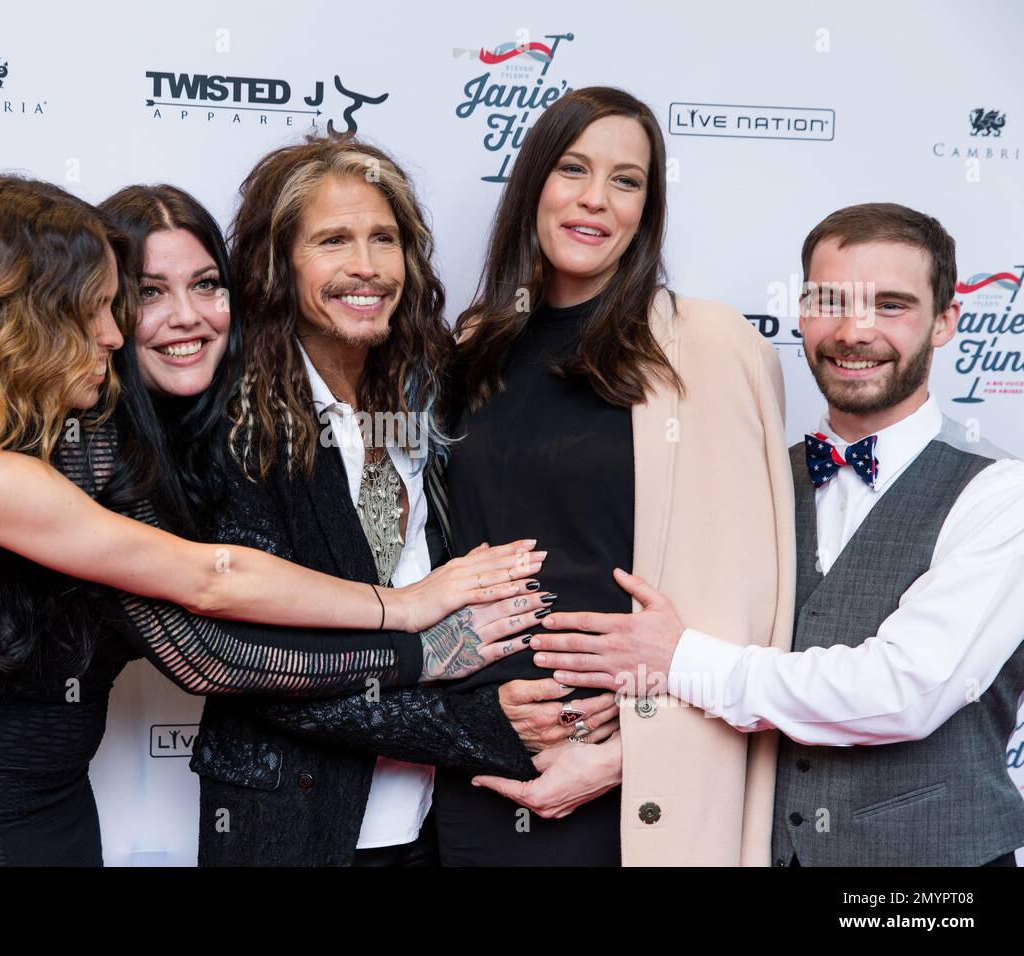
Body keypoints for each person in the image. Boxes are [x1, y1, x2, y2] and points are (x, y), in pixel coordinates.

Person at [0, 173, 537, 867]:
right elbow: (206, 610)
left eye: (205, 285)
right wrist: (412, 625)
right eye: (121, 301)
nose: (121, 332)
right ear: (29, 313)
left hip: (17, 796)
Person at [528, 203, 1024, 867]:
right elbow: (683, 665)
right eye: (830, 301)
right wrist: (608, 752)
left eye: (892, 305)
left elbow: (904, 692)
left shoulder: (1000, 495)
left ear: (944, 323)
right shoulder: (754, 480)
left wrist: (682, 659)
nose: (854, 331)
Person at [187, 135, 585, 867]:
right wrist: (472, 722)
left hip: (446, 822)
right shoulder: (233, 422)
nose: (366, 267)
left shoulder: (428, 392)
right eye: (333, 240)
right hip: (293, 827)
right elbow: (262, 667)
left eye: (385, 238)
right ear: (279, 262)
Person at [439, 86, 796, 866]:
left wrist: (631, 752)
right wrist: (476, 715)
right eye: (573, 169)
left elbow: (747, 610)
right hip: (480, 755)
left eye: (627, 180)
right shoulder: (474, 347)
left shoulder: (704, 345)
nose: (595, 200)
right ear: (533, 182)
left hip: (631, 789)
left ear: (648, 207)